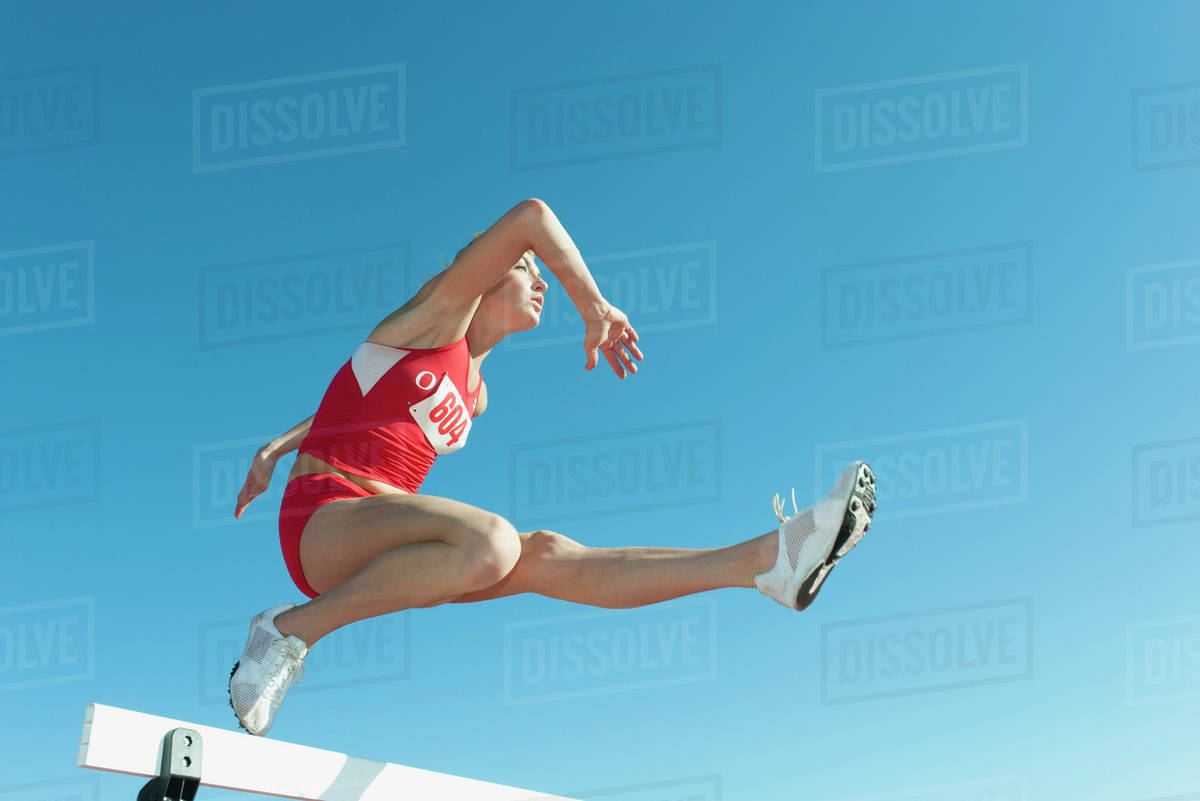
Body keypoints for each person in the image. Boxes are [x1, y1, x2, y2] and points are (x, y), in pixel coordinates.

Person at [227, 198, 877, 736]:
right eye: (526, 270)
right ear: (484, 277)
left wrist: (273, 447)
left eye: (541, 275)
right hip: (323, 521)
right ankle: (288, 630)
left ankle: (766, 562)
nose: (540, 283)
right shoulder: (433, 316)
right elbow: (532, 216)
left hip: (388, 548)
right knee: (492, 541)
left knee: (546, 554)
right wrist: (594, 306)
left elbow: (354, 396)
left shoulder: (476, 394)